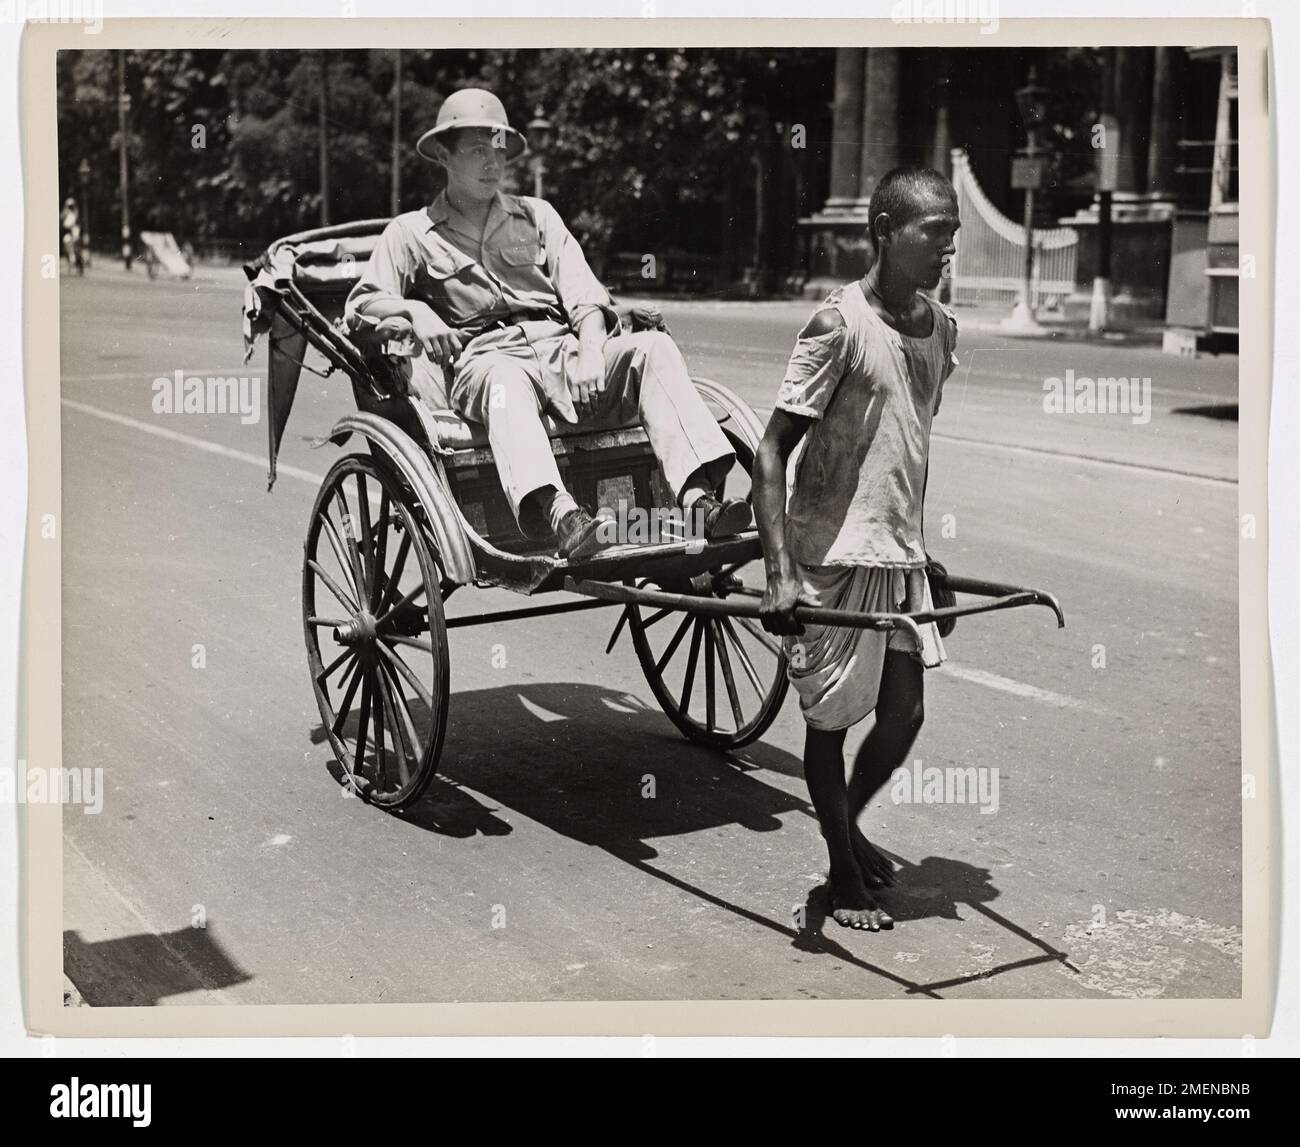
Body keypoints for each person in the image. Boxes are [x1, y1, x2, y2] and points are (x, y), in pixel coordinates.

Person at [345, 88, 750, 560]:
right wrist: (415, 311)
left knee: (652, 350)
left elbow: (585, 295)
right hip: (486, 362)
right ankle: (563, 516)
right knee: (505, 380)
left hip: (562, 349)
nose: (492, 163)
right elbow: (362, 304)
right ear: (442, 154)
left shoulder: (537, 215)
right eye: (477, 150)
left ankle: (698, 501)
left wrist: (594, 351)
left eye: (497, 149)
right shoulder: (411, 232)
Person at [753, 167, 961, 932]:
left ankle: (848, 825)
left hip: (896, 558)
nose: (947, 247)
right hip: (830, 557)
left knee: (903, 715)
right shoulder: (837, 324)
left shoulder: (940, 327)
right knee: (830, 726)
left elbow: (914, 445)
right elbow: (772, 451)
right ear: (883, 229)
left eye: (952, 232)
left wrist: (920, 548)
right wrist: (777, 572)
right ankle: (841, 874)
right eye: (932, 231)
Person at [60, 197, 84, 275]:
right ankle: (70, 266)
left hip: (75, 232)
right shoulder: (65, 212)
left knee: (77, 249)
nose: (70, 207)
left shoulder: (76, 213)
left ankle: (79, 267)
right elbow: (61, 218)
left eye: (71, 206)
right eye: (69, 206)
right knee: (67, 249)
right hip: (67, 233)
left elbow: (76, 223)